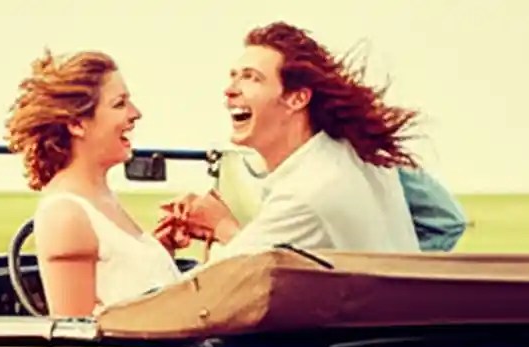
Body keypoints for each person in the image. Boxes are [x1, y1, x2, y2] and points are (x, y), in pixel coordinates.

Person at [156, 22, 465, 259]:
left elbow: (235, 282)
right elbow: (446, 220)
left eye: (251, 77)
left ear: (297, 99)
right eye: (234, 75)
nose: (230, 89)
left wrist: (217, 226)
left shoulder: (305, 193)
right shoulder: (362, 152)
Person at [6, 50, 182, 316]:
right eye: (120, 104)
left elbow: (118, 289)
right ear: (77, 123)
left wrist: (161, 251)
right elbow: (76, 341)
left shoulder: (100, 197)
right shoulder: (66, 214)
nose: (136, 114)